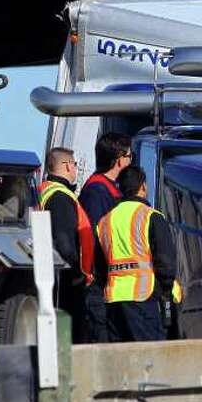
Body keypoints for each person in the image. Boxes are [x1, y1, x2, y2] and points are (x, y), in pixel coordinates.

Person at [95, 165, 180, 342]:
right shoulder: (151, 216)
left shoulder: (104, 221)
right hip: (144, 298)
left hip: (113, 301)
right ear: (142, 186)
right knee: (149, 360)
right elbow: (165, 260)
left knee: (121, 360)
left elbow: (100, 266)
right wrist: (166, 290)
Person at [78, 133, 132, 343]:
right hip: (99, 282)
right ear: (119, 160)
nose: (130, 162)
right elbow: (96, 235)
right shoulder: (97, 191)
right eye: (129, 157)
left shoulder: (108, 189)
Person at [37, 147, 92, 343]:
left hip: (55, 277)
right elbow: (64, 242)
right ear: (68, 166)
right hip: (67, 282)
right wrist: (78, 271)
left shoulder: (44, 190)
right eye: (75, 164)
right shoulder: (61, 197)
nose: (76, 169)